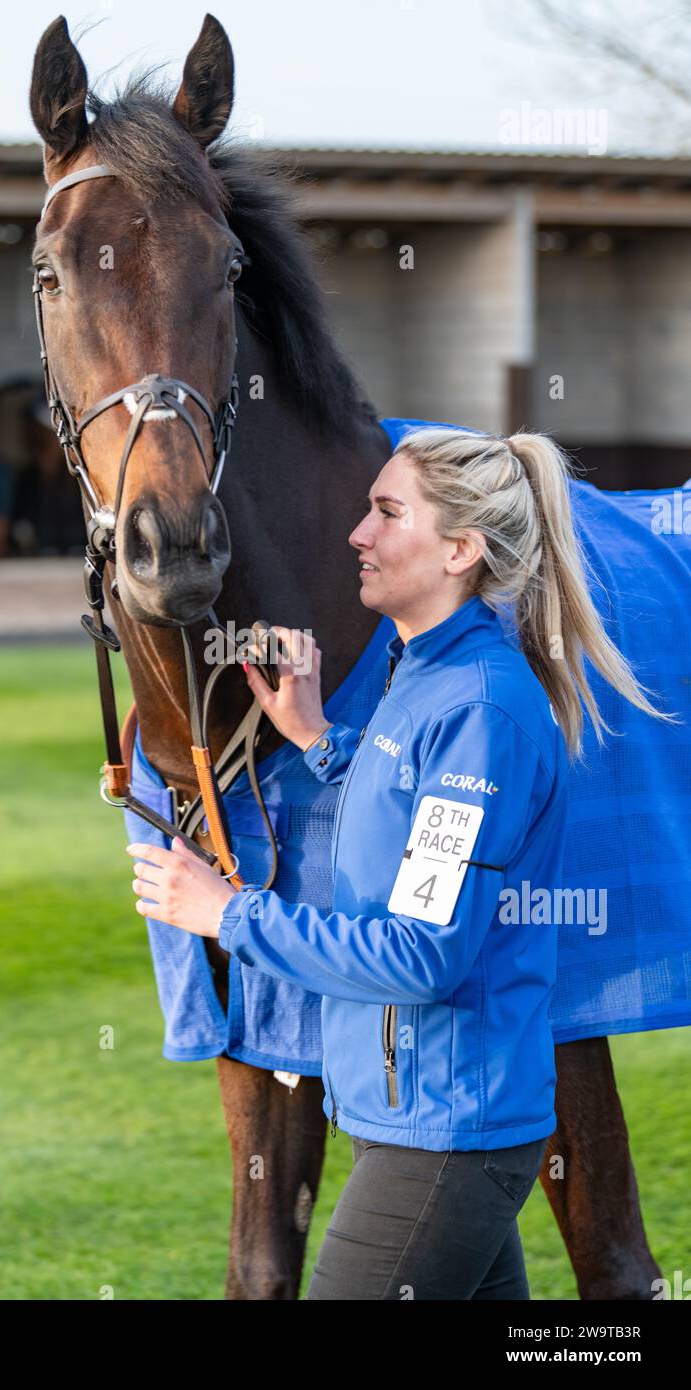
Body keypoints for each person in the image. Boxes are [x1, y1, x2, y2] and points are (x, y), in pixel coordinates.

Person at [125, 425, 675, 1300]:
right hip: (412, 1121)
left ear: (460, 550)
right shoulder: (417, 677)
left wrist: (224, 914)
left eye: (387, 513)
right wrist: (320, 741)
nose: (358, 535)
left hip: (450, 1133)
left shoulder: (480, 710)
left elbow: (424, 953)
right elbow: (415, 819)